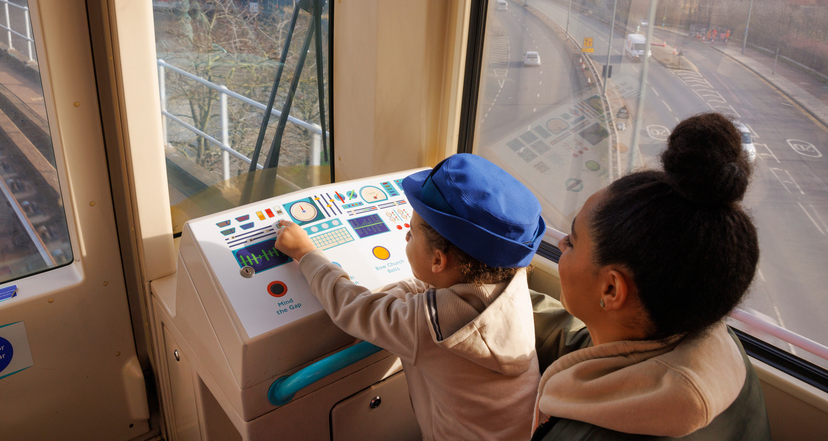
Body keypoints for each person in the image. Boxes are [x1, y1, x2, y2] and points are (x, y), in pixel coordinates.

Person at [531, 113, 771, 440]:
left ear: (612, 288)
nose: (560, 245)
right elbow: (586, 345)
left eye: (571, 242)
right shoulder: (717, 348)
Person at [276, 153, 547, 440]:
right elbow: (430, 291)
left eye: (411, 233)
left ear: (438, 261)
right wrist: (406, 295)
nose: (406, 238)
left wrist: (306, 254)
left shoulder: (430, 325)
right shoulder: (512, 280)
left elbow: (352, 308)